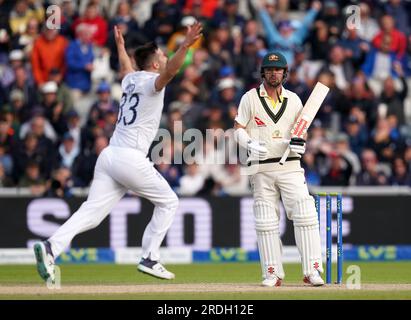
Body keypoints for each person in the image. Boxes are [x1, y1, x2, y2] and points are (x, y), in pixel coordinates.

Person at [33, 22, 203, 283]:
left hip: (110, 155)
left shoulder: (131, 79)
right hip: (130, 158)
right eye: (161, 56)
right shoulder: (151, 83)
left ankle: (50, 247)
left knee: (91, 213)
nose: (164, 58)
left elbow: (126, 66)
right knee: (169, 202)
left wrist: (121, 47)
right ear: (155, 65)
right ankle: (150, 257)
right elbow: (172, 70)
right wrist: (185, 45)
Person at [233, 51, 324, 287]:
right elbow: (238, 128)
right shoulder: (250, 98)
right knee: (265, 221)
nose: (274, 73)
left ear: (285, 73)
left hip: (291, 167)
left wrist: (300, 142)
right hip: (261, 169)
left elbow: (301, 129)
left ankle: (312, 270)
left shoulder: (294, 99)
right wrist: (249, 143)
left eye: (278, 69)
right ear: (263, 72)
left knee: (305, 214)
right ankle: (272, 273)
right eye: (270, 69)